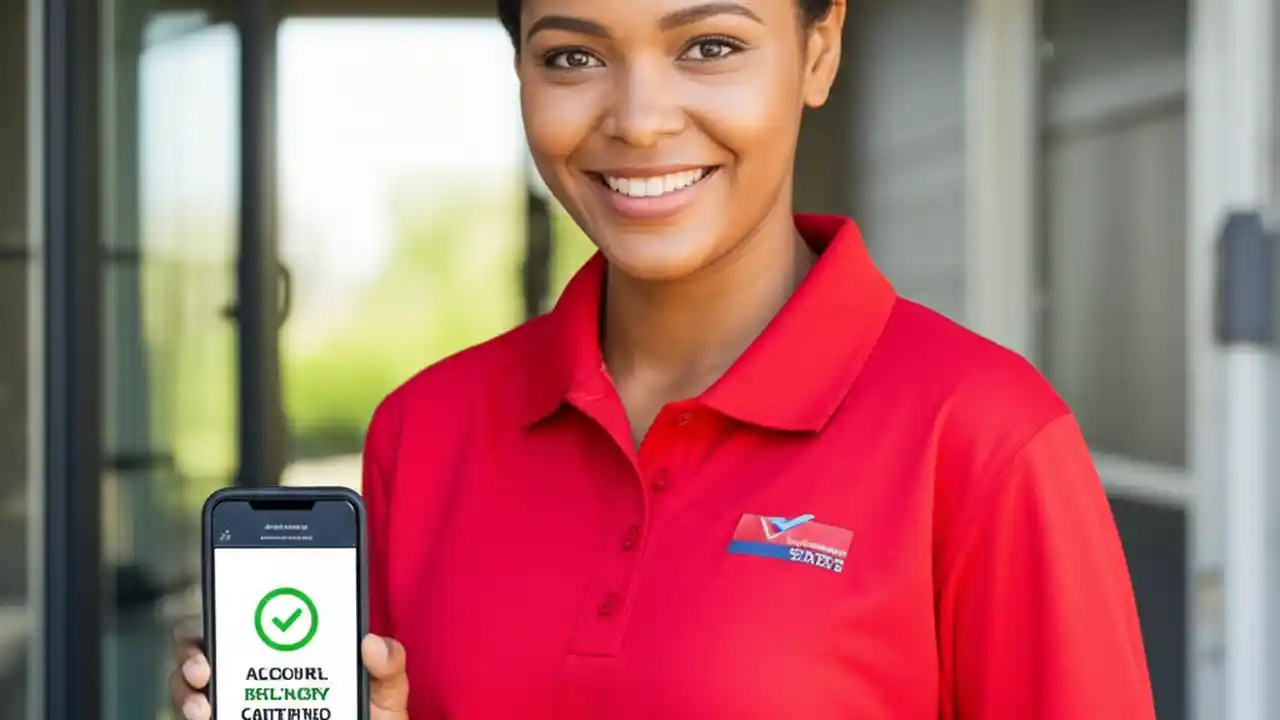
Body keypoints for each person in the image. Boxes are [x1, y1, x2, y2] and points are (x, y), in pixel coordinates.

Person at [172, 0, 1157, 717]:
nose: (638, 120)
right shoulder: (424, 429)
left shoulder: (981, 435)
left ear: (819, 51)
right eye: (570, 58)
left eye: (710, 46)